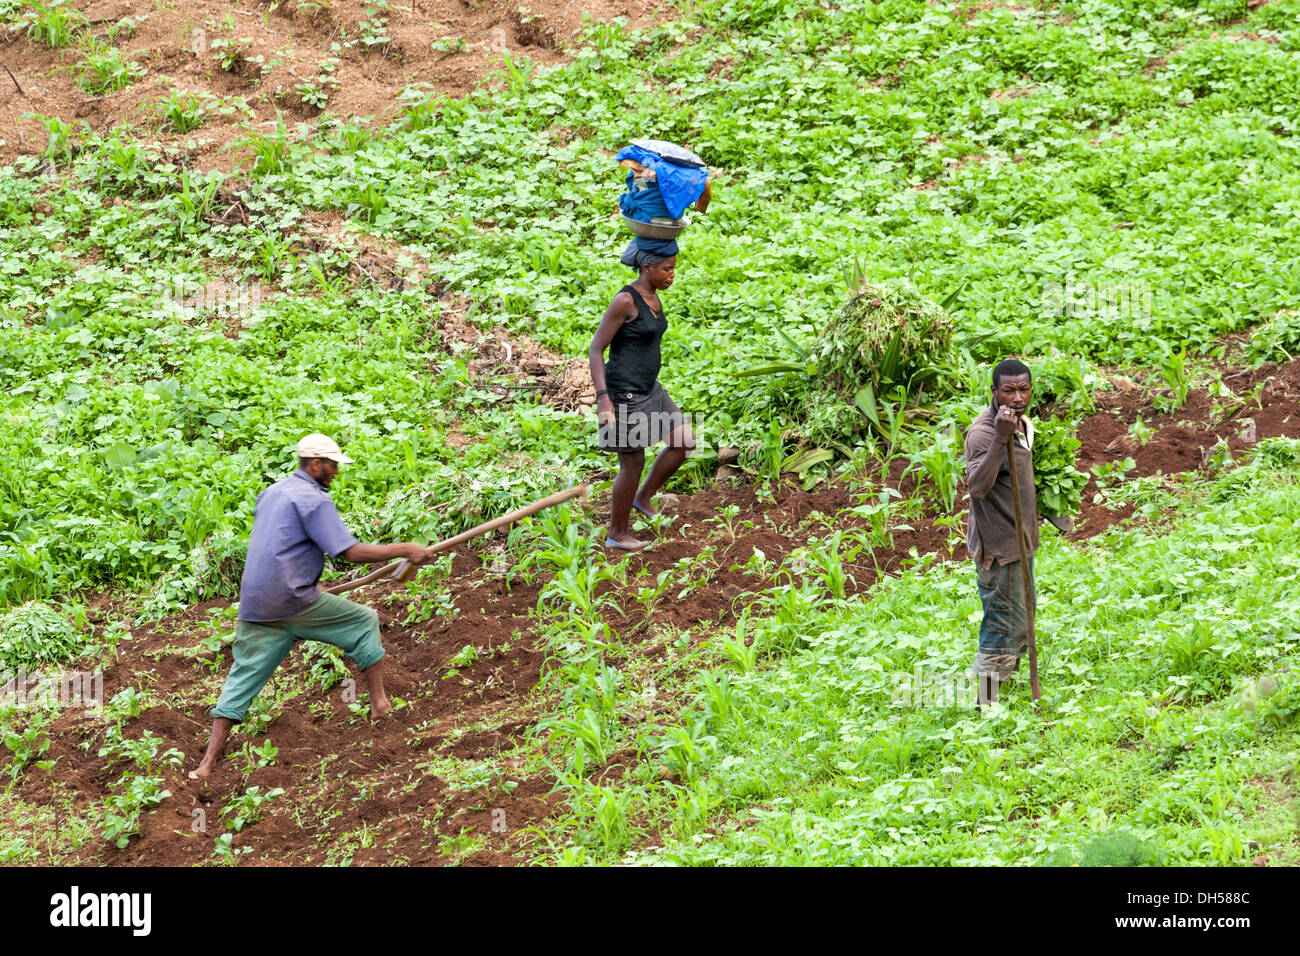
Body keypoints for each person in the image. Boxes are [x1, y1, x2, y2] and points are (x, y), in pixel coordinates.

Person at [189, 434, 434, 780]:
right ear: (315, 464)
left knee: (242, 678)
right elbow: (348, 551)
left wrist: (310, 581)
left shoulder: (272, 493)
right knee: (364, 620)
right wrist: (406, 548)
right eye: (332, 465)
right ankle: (380, 706)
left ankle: (206, 764)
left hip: (256, 604)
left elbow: (279, 546)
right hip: (292, 602)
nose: (336, 472)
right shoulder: (313, 499)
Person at [589, 236, 695, 551]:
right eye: (666, 269)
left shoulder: (653, 295)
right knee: (632, 462)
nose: (672, 274)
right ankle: (616, 533)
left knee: (684, 441)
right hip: (624, 394)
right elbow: (596, 350)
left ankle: (642, 497)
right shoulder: (626, 300)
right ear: (647, 268)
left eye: (674, 268)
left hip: (650, 388)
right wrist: (603, 398)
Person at [965, 359, 1038, 705]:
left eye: (1023, 389)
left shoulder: (1022, 423)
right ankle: (984, 705)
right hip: (1001, 548)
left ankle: (1002, 688)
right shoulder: (984, 433)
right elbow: (977, 487)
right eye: (1008, 390)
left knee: (1020, 620)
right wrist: (1000, 438)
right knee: (1001, 627)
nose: (1017, 397)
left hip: (1021, 543)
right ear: (994, 392)